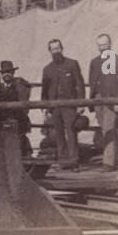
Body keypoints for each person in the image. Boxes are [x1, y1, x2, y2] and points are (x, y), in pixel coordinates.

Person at [41, 39, 85, 170]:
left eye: (58, 48)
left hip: (69, 105)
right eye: (53, 49)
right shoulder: (47, 69)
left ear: (62, 48)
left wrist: (81, 103)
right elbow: (45, 90)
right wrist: (44, 107)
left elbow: (79, 85)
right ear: (50, 51)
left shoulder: (72, 64)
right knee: (58, 134)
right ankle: (63, 161)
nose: (56, 51)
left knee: (71, 133)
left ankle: (74, 161)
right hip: (55, 107)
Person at [88, 34, 118, 169]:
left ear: (110, 44)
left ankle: (108, 163)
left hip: (111, 100)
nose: (102, 48)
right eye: (100, 45)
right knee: (104, 128)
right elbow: (92, 81)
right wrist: (93, 99)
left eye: (105, 45)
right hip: (98, 100)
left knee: (109, 129)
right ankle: (116, 160)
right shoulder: (94, 62)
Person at [0, 60, 32, 155]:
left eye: (9, 72)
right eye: (4, 72)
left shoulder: (19, 85)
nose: (6, 74)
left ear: (13, 73)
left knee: (20, 140)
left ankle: (25, 156)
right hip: (4, 119)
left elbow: (24, 102)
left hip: (18, 118)